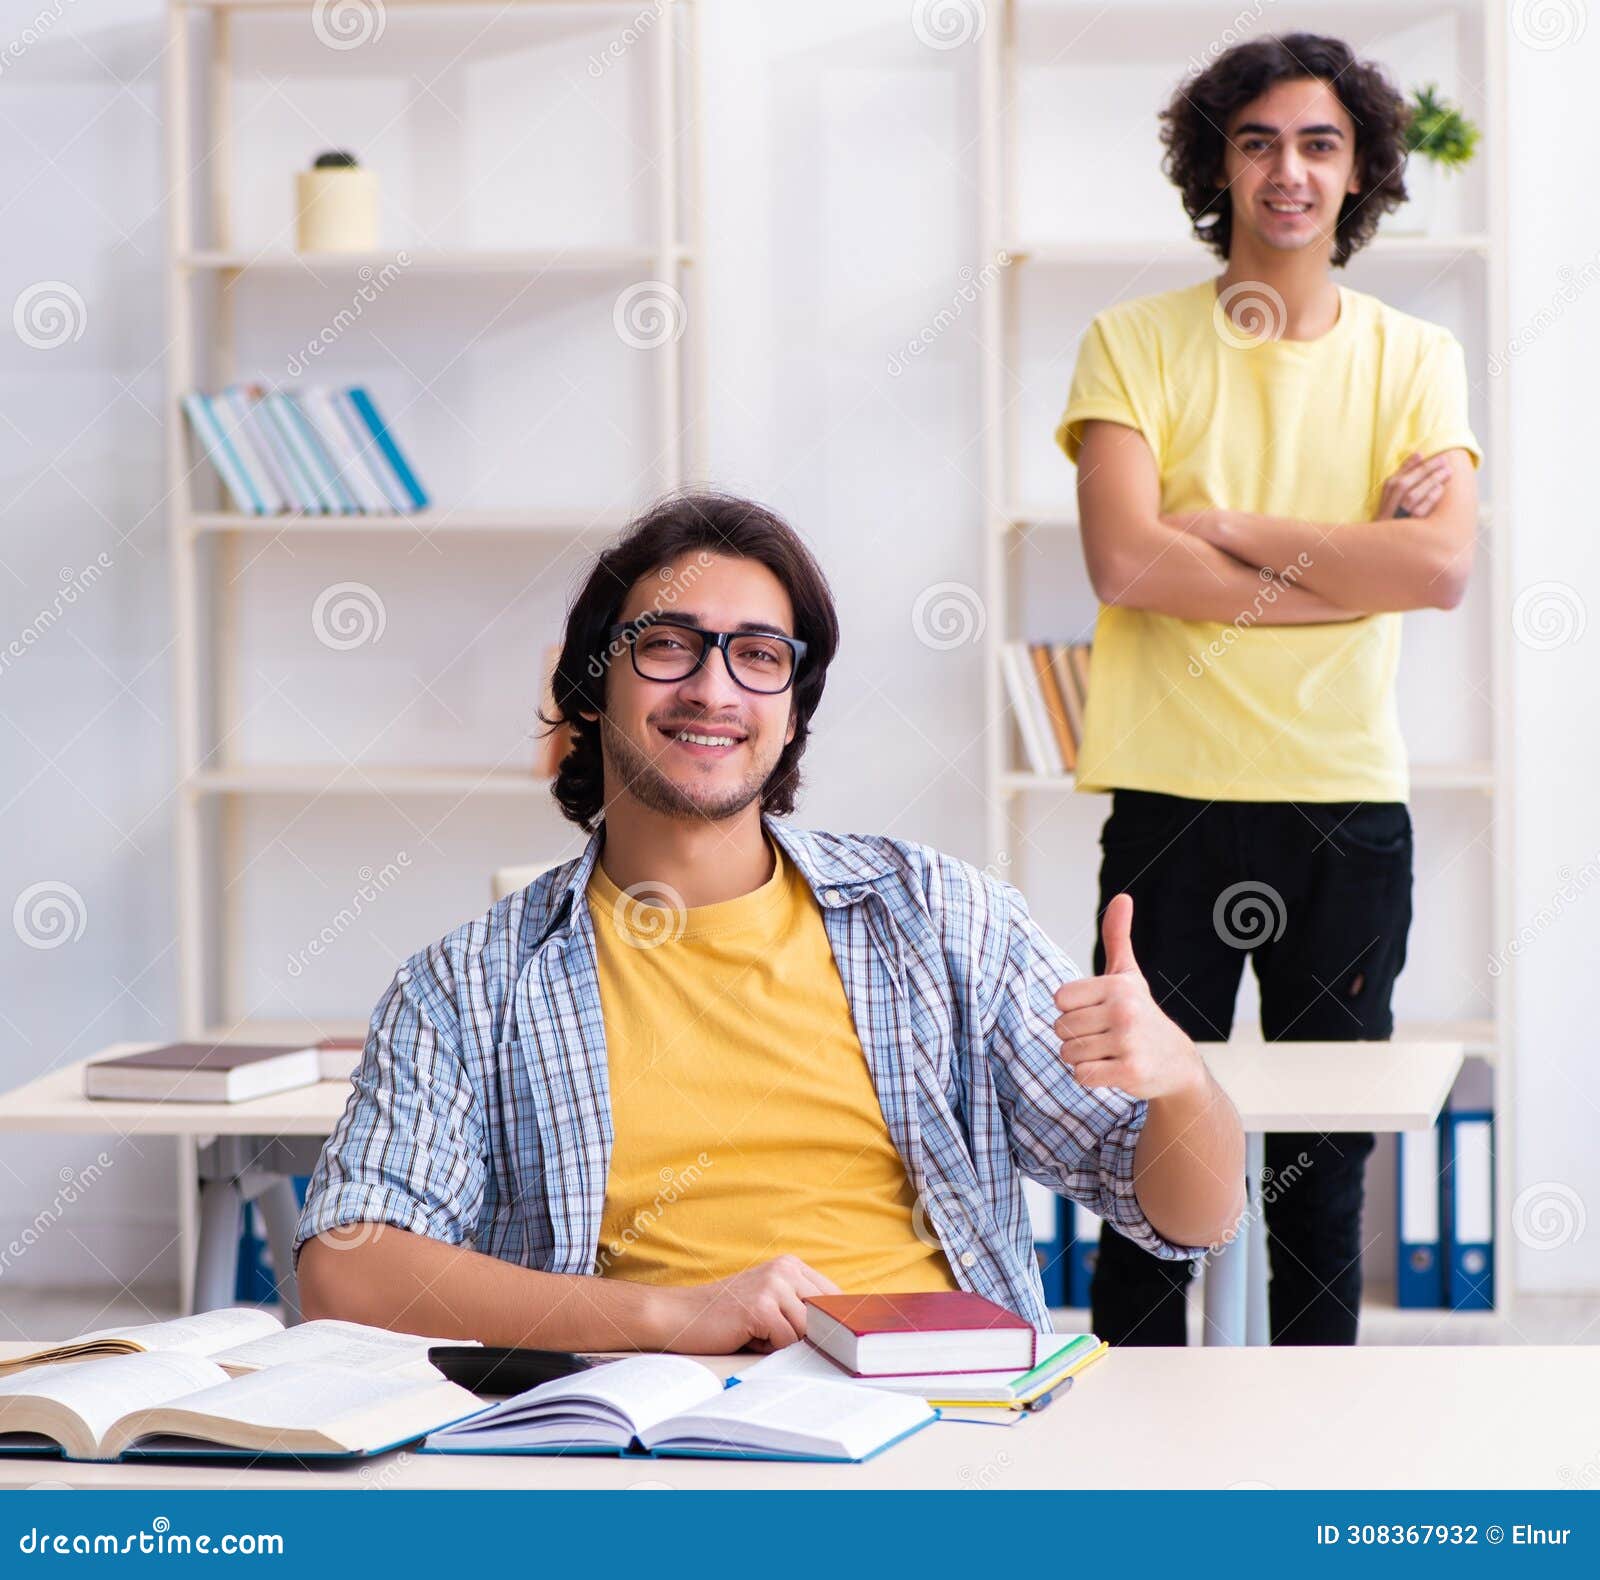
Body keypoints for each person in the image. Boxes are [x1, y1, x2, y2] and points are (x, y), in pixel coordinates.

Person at [294, 490, 1245, 1352]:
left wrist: (1182, 1085)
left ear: (791, 712)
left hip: (939, 1425)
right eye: (668, 644)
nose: (713, 690)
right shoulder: (467, 986)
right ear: (591, 689)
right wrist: (674, 1316)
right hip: (637, 1445)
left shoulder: (944, 916)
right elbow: (347, 1265)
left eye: (757, 656)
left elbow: (1187, 1216)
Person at [1055, 33, 1481, 1346]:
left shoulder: (1418, 358)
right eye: (1257, 143)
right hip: (1170, 799)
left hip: (1344, 808)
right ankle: (1118, 1439)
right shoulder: (1131, 342)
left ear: (1360, 173)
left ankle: (1311, 1458)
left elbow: (1442, 567)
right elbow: (1125, 558)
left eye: (1318, 143)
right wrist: (1342, 567)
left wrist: (1228, 524)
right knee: (1143, 1136)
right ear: (1218, 167)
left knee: (1322, 1158)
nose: (1286, 171)